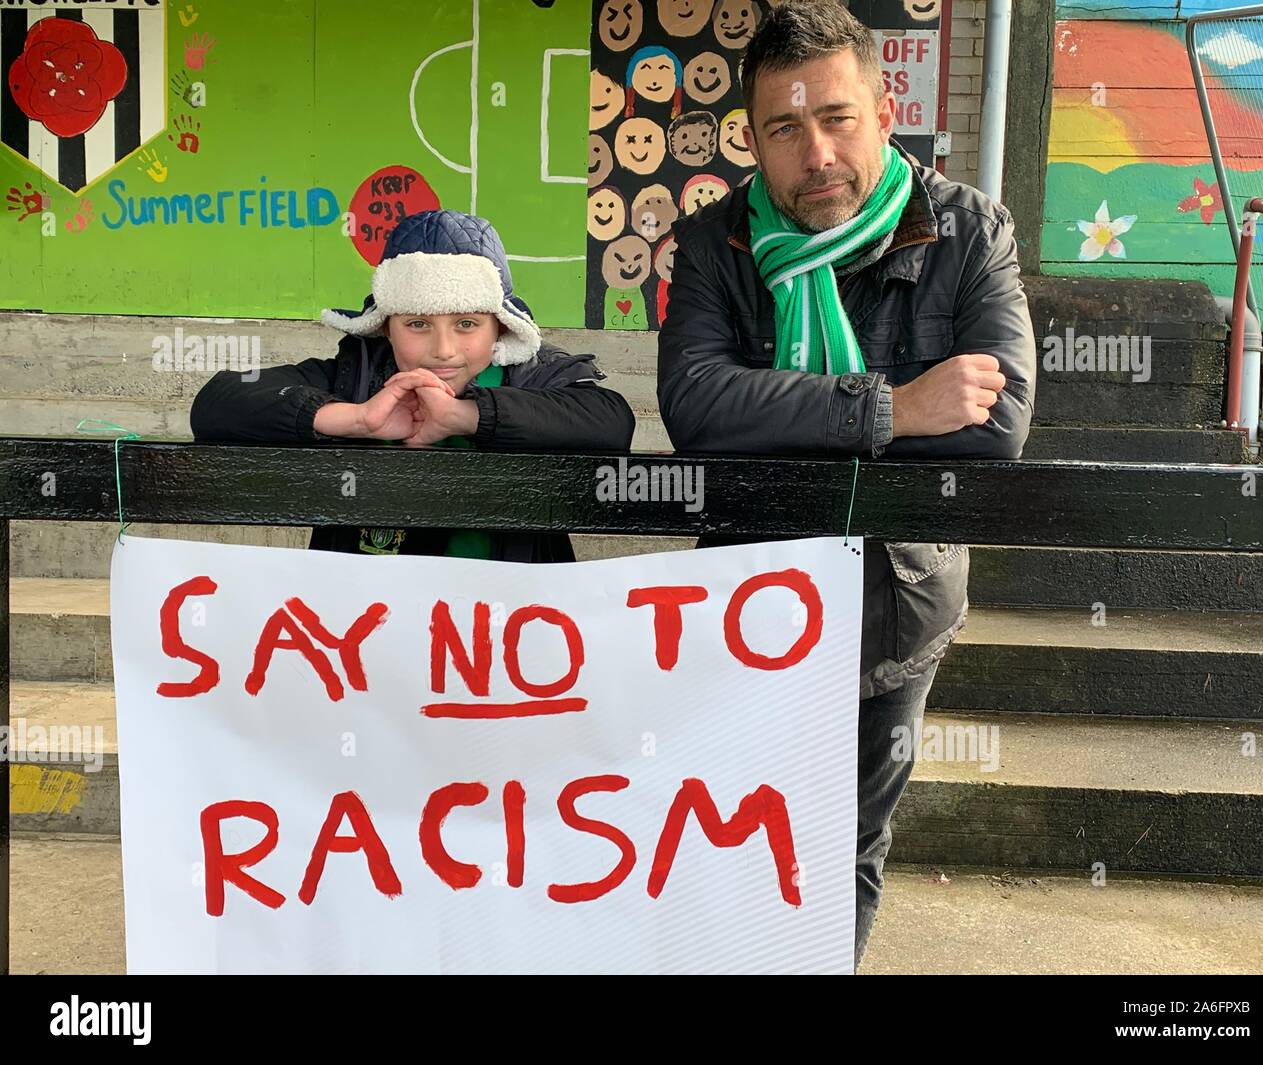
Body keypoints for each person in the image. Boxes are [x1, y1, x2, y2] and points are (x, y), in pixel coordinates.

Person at [657, 0, 1036, 968]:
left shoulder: (967, 233)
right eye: (784, 129)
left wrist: (779, 415)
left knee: (848, 844)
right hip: (747, 604)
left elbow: (994, 431)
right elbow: (698, 405)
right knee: (734, 832)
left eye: (835, 119)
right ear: (753, 138)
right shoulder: (714, 246)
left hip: (895, 615)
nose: (815, 152)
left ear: (882, 109)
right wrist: (894, 411)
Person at [192, 209, 635, 561]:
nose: (443, 349)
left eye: (466, 323)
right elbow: (218, 402)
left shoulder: (537, 375)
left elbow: (612, 422)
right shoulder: (355, 377)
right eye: (418, 323)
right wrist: (358, 419)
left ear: (500, 328)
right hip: (370, 629)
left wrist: (467, 416)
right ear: (385, 327)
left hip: (509, 631)